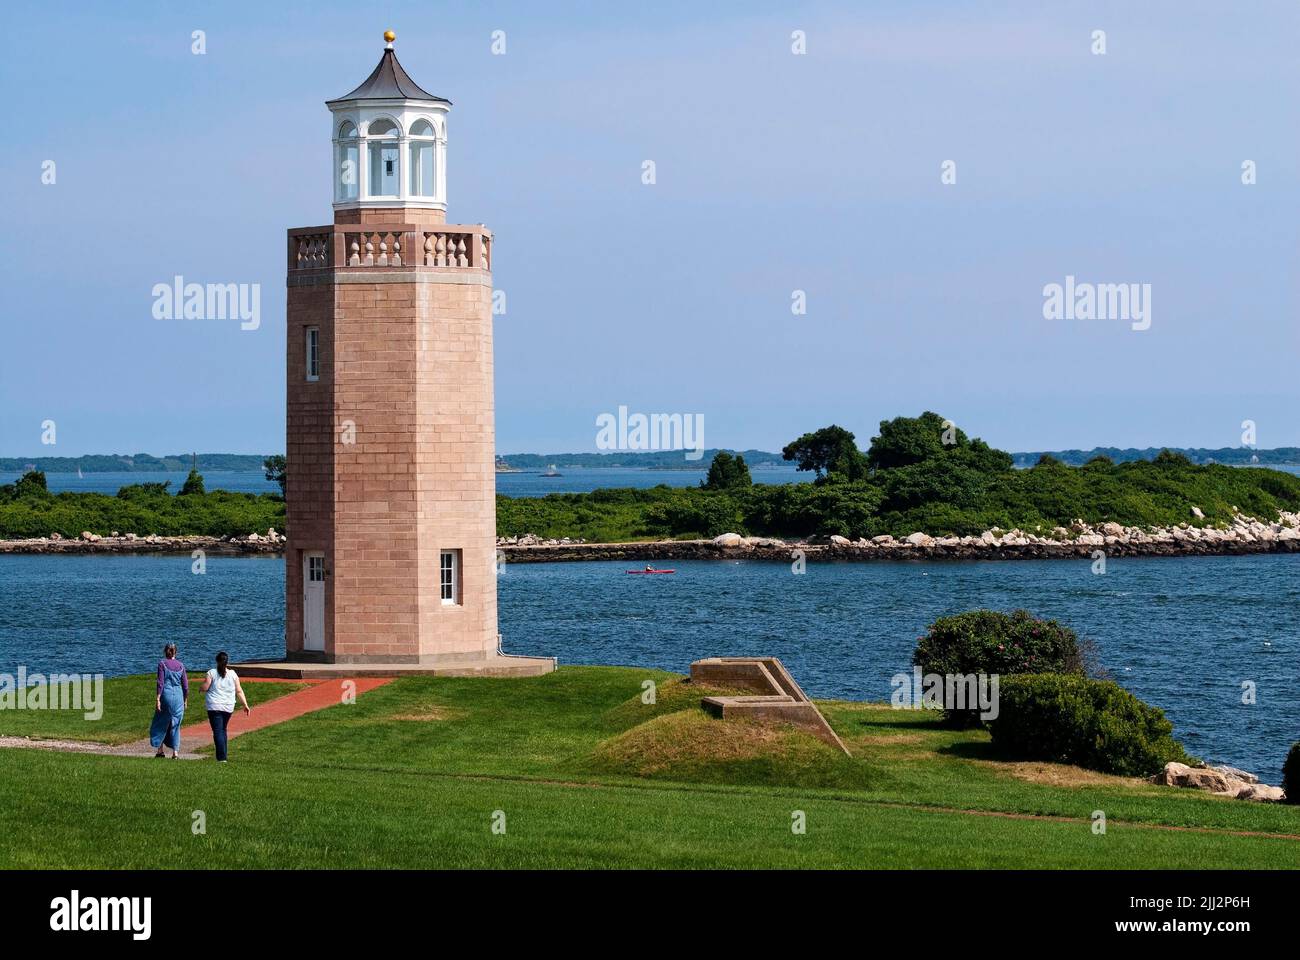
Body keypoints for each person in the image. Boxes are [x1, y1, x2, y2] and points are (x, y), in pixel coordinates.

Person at [202, 651, 250, 763]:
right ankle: (223, 755)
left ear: (217, 661)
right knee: (223, 730)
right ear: (227, 662)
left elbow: (205, 687)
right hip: (228, 707)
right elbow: (239, 691)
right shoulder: (233, 674)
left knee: (218, 731)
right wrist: (245, 705)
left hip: (214, 706)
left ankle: (222, 758)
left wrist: (201, 688)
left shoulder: (211, 673)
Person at [149, 643, 188, 759]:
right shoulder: (181, 666)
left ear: (165, 652)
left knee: (160, 722)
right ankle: (175, 752)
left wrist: (158, 698)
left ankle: (160, 750)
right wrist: (185, 699)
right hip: (178, 696)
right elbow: (185, 685)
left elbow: (160, 682)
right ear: (176, 652)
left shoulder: (162, 664)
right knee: (176, 724)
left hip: (166, 694)